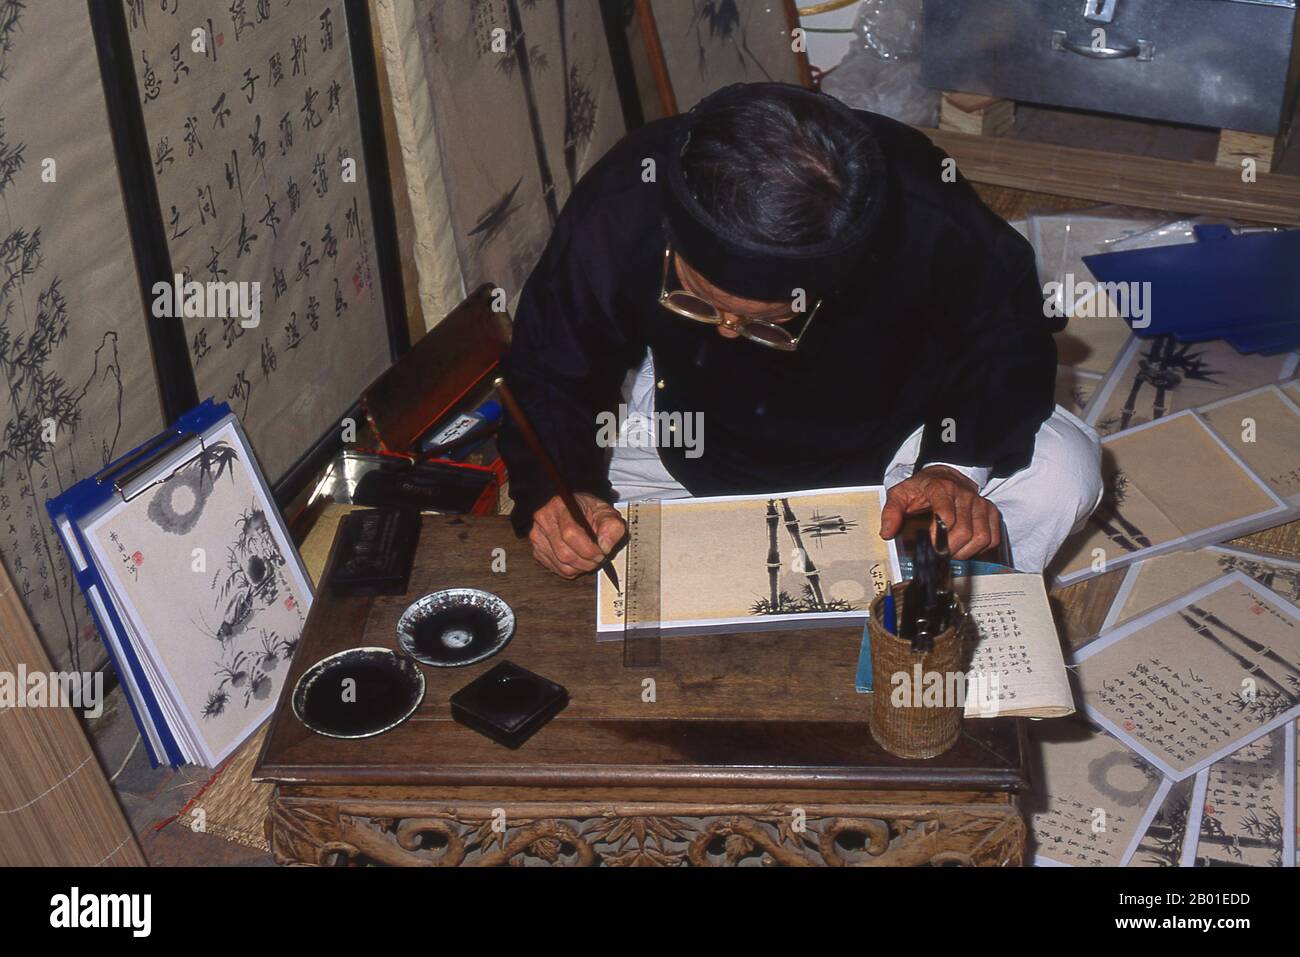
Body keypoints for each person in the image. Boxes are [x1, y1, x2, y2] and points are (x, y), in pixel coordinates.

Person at [500, 82, 1102, 578]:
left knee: (1063, 474)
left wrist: (949, 471)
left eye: (767, 323)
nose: (729, 334)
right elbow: (551, 361)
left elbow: (1006, 334)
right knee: (588, 534)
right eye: (702, 305)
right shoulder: (629, 195)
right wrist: (564, 489)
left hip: (896, 433)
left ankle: (934, 620)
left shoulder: (921, 205)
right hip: (686, 425)